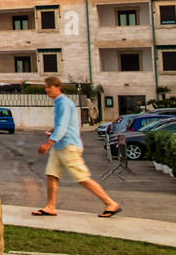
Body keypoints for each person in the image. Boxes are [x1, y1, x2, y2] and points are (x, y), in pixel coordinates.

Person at [32, 76, 121, 218]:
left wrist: (49, 143)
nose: (47, 90)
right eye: (46, 87)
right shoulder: (60, 103)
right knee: (52, 175)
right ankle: (50, 207)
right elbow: (63, 125)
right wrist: (52, 131)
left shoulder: (63, 103)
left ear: (57, 87)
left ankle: (110, 203)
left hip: (68, 146)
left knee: (82, 177)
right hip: (60, 146)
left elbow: (63, 126)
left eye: (49, 87)